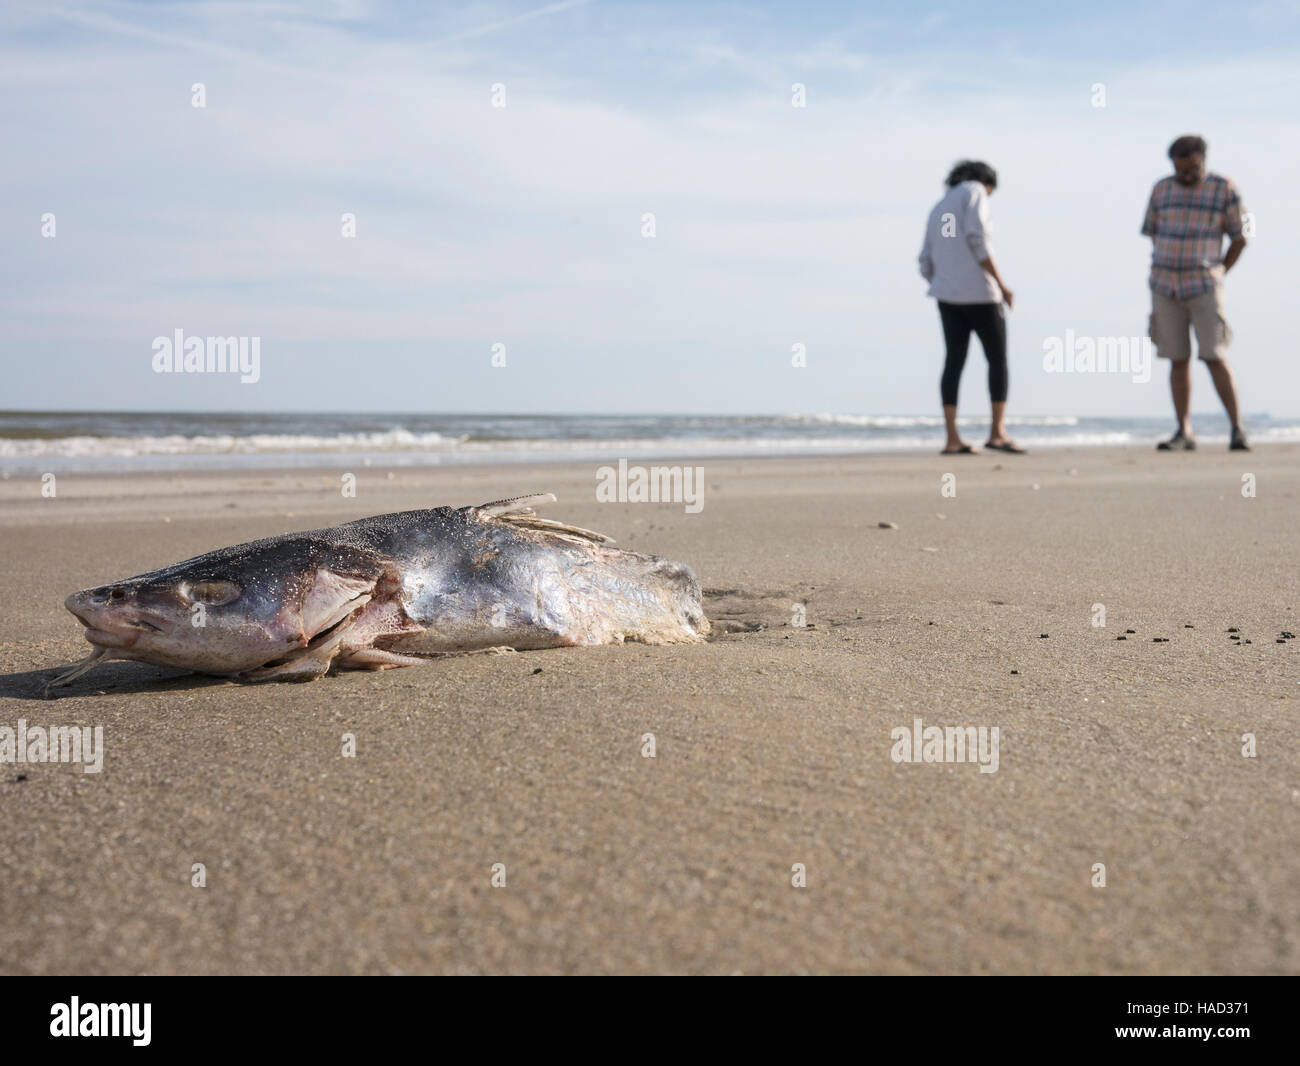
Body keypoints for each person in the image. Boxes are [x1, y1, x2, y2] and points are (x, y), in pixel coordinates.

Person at [1142, 135, 1250, 451]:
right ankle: (1184, 432)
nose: (1185, 177)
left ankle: (1237, 429)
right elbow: (1153, 233)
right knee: (1177, 359)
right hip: (1164, 286)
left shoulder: (1224, 188)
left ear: (1204, 160)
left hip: (1204, 285)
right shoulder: (1162, 189)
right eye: (1180, 170)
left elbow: (1240, 238)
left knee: (1215, 355)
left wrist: (1219, 272)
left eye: (1192, 169)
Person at [918, 160, 1021, 455]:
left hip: (946, 296)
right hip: (980, 293)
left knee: (953, 362)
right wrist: (1001, 285)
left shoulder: (938, 207)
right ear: (986, 182)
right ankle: (997, 433)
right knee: (997, 359)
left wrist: (944, 282)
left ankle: (952, 438)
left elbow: (924, 261)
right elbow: (976, 237)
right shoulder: (975, 192)